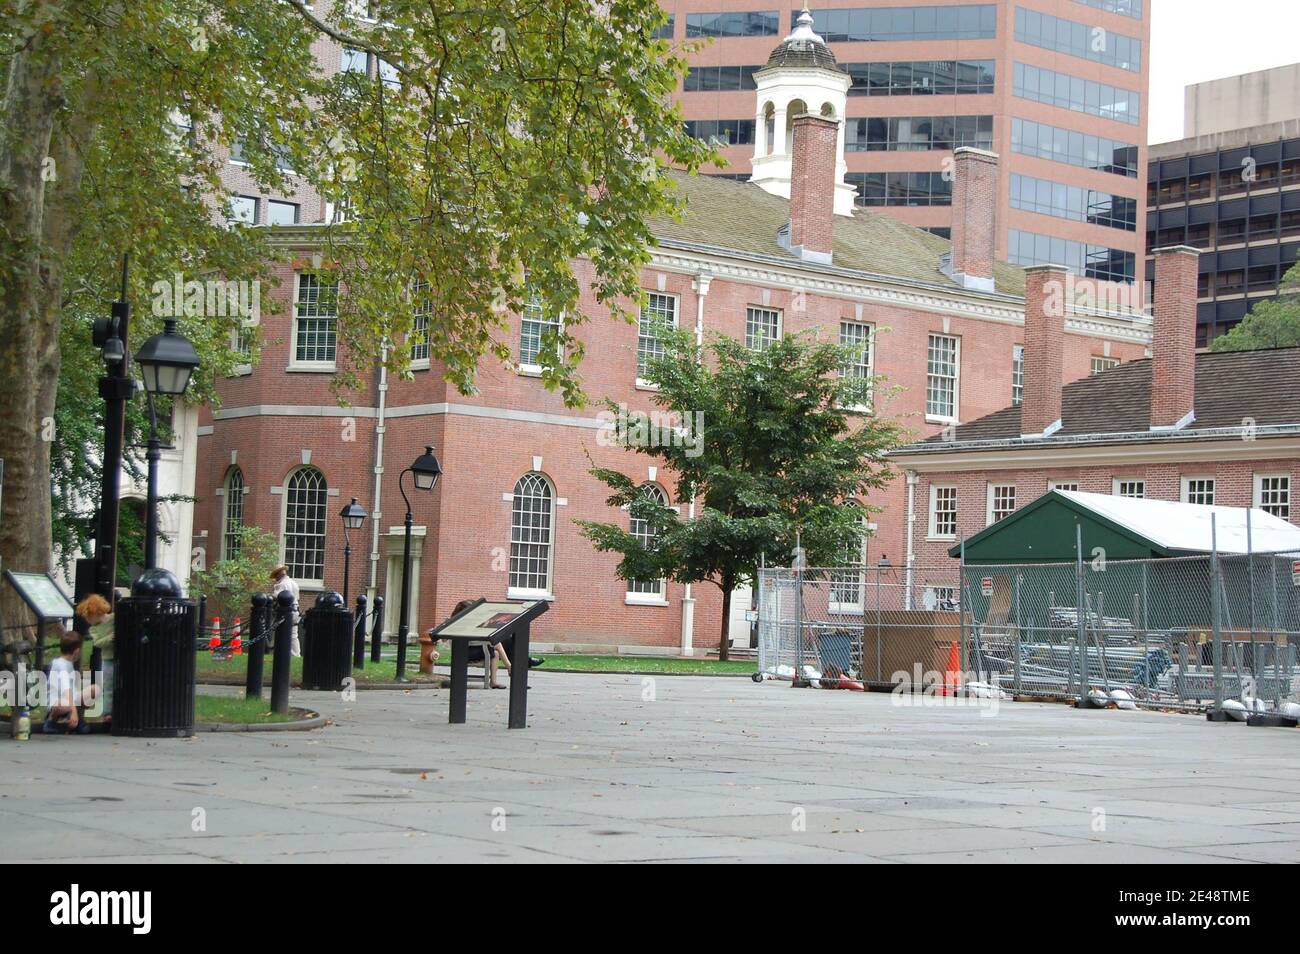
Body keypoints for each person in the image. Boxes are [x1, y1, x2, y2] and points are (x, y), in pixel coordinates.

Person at [445, 599, 544, 690]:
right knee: (496, 644)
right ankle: (513, 668)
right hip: (465, 652)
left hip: (477, 647)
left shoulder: (470, 621)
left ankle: (495, 681)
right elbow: (465, 640)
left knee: (505, 643)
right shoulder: (458, 623)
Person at [44, 631, 99, 734]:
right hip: (58, 702)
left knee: (95, 689)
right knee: (66, 704)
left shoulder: (68, 663)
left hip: (71, 699)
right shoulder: (61, 665)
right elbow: (66, 690)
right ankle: (51, 720)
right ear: (77, 651)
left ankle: (75, 720)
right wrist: (73, 711)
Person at [75, 594, 114, 721]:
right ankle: (108, 713)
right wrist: (110, 638)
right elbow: (97, 643)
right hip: (108, 659)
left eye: (87, 617)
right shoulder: (93, 629)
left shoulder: (114, 619)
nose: (86, 620)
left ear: (94, 613)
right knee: (108, 686)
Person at [270, 564, 301, 656]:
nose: (275, 578)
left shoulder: (281, 584)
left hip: (284, 612)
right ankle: (296, 654)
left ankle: (283, 654)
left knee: (281, 633)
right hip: (295, 611)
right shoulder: (294, 583)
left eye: (276, 576)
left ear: (278, 574)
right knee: (294, 635)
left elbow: (277, 597)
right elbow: (297, 598)